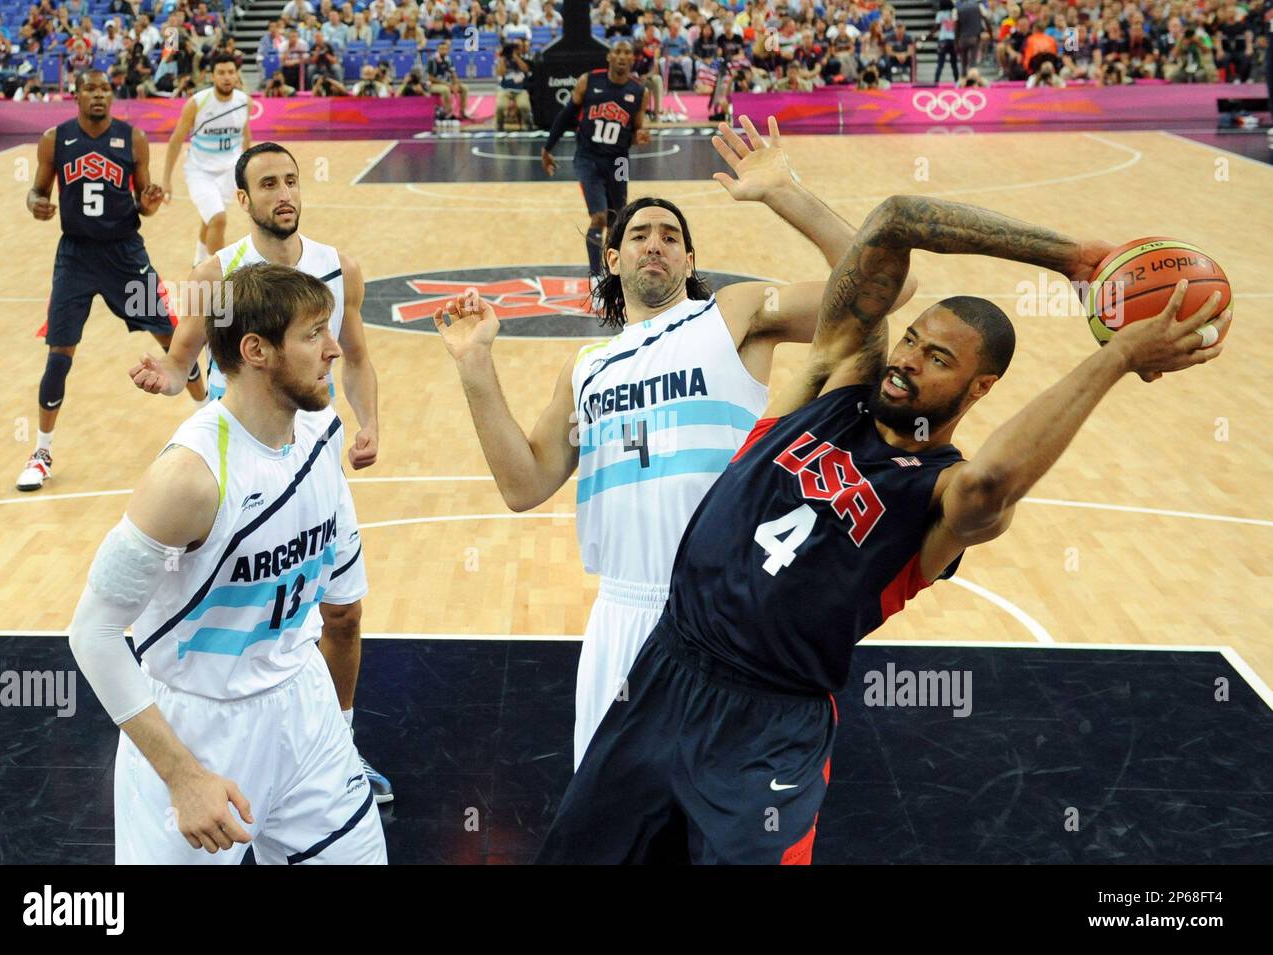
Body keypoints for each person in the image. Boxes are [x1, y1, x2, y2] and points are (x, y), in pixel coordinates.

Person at [535, 194, 1231, 864]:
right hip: (665, 669)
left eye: (938, 359)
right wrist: (1072, 258)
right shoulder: (835, 383)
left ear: (981, 387)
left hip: (767, 730)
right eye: (915, 340)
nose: (907, 360)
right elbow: (898, 218)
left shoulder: (942, 494)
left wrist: (1114, 357)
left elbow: (994, 483)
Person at [437, 117, 918, 770]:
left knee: (722, 833)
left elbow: (885, 290)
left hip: (729, 612)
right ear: (612, 259)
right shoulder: (585, 369)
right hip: (622, 615)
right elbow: (523, 484)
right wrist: (474, 367)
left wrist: (786, 193)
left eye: (671, 236)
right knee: (610, 836)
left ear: (690, 260)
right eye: (638, 235)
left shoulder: (735, 314)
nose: (655, 244)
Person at [70, 262, 389, 864]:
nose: (333, 351)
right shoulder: (188, 478)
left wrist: (339, 726)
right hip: (195, 730)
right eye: (314, 334)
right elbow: (93, 633)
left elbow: (342, 608)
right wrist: (183, 777)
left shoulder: (321, 432)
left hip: (305, 709)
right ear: (256, 350)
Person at [129, 141, 391, 804]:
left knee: (344, 614)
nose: (284, 193)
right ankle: (207, 754)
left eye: (291, 181)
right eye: (268, 183)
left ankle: (342, 745)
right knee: (242, 624)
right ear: (241, 200)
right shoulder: (218, 272)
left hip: (317, 462)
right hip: (242, 467)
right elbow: (184, 361)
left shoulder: (340, 268)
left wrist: (370, 422)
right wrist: (163, 378)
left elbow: (355, 357)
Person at [16, 69, 207, 493]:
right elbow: (36, 192)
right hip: (76, 257)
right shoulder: (55, 139)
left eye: (105, 89)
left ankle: (211, 419)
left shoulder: (133, 139)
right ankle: (42, 452)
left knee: (172, 339)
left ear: (111, 96)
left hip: (125, 255)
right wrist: (37, 205)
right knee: (59, 352)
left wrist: (151, 202)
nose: (99, 95)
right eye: (90, 89)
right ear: (77, 95)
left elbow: (145, 203)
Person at [540, 40, 650, 280]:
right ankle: (595, 276)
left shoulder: (640, 92)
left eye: (627, 52)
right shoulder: (588, 80)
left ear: (633, 59)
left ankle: (611, 277)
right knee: (598, 216)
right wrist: (548, 148)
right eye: (618, 51)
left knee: (616, 221)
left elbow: (636, 131)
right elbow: (565, 115)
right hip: (588, 158)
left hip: (619, 160)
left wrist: (639, 136)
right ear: (609, 56)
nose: (622, 56)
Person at [161, 55, 251, 267]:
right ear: (212, 76)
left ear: (236, 74)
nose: (227, 77)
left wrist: (246, 174)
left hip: (230, 170)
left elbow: (246, 137)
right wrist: (166, 180)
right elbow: (175, 141)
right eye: (221, 73)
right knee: (218, 218)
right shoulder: (197, 103)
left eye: (230, 72)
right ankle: (221, 276)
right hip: (200, 171)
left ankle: (199, 261)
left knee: (210, 217)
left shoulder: (244, 101)